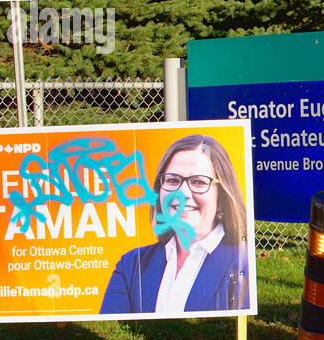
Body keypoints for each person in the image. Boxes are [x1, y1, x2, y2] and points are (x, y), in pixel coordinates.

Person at [100, 134, 250, 314]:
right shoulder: (132, 265)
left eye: (198, 182)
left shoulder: (243, 263)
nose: (182, 193)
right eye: (172, 180)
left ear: (222, 197)